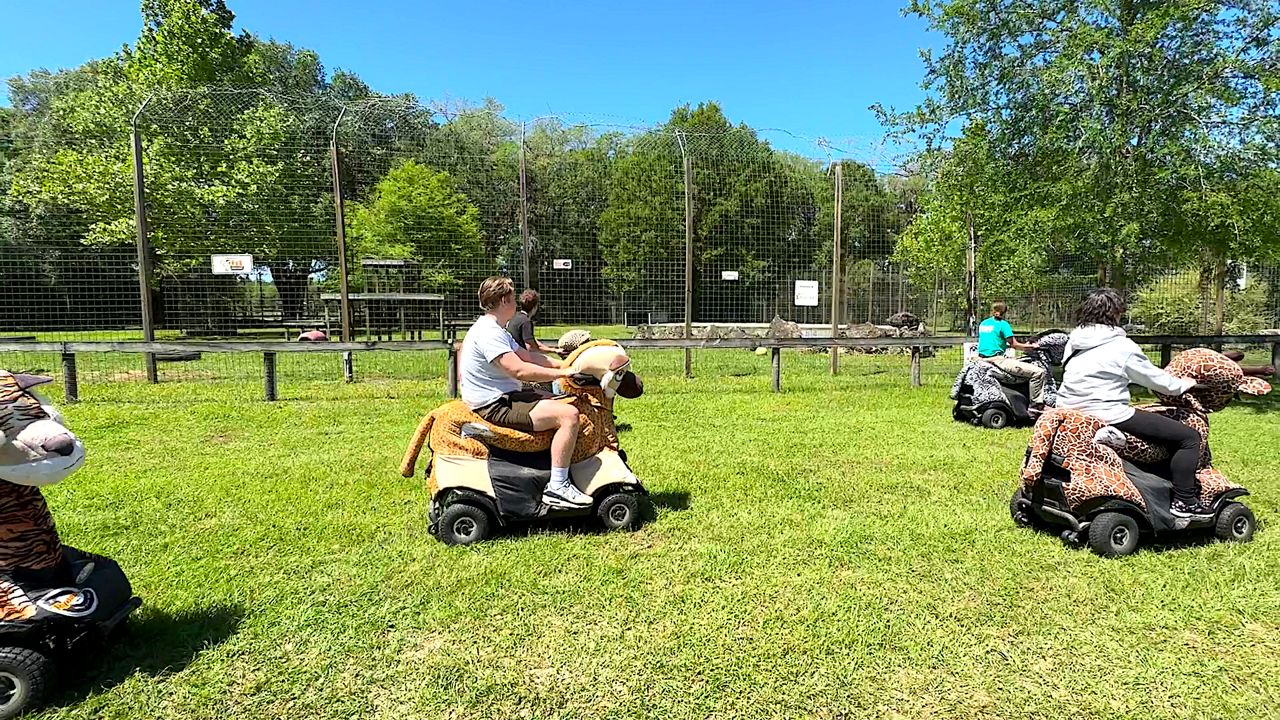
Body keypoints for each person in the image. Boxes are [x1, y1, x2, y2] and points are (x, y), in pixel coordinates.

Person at [1055, 288, 1209, 519]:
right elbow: (1159, 382)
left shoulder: (1075, 340)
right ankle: (1184, 501)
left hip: (1068, 408)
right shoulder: (1122, 346)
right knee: (1189, 438)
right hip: (1107, 411)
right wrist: (1185, 384)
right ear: (1116, 314)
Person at [460, 277, 591, 507]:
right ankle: (558, 487)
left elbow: (528, 356)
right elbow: (519, 370)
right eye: (512, 298)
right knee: (568, 415)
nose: (516, 303)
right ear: (504, 300)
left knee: (560, 399)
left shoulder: (496, 329)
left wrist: (569, 363)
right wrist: (563, 374)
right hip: (494, 404)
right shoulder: (488, 333)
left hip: (505, 396)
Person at [976, 301, 1048, 410]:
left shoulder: (983, 323)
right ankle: (1036, 405)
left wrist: (1004, 346)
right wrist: (1032, 346)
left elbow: (993, 341)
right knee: (1038, 372)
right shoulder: (1003, 325)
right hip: (997, 359)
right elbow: (1015, 345)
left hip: (982, 358)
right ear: (1004, 312)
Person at [506, 290, 564, 356]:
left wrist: (554, 350)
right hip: (520, 358)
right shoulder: (526, 322)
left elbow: (531, 340)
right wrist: (553, 351)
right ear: (535, 307)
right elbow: (531, 348)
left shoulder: (515, 317)